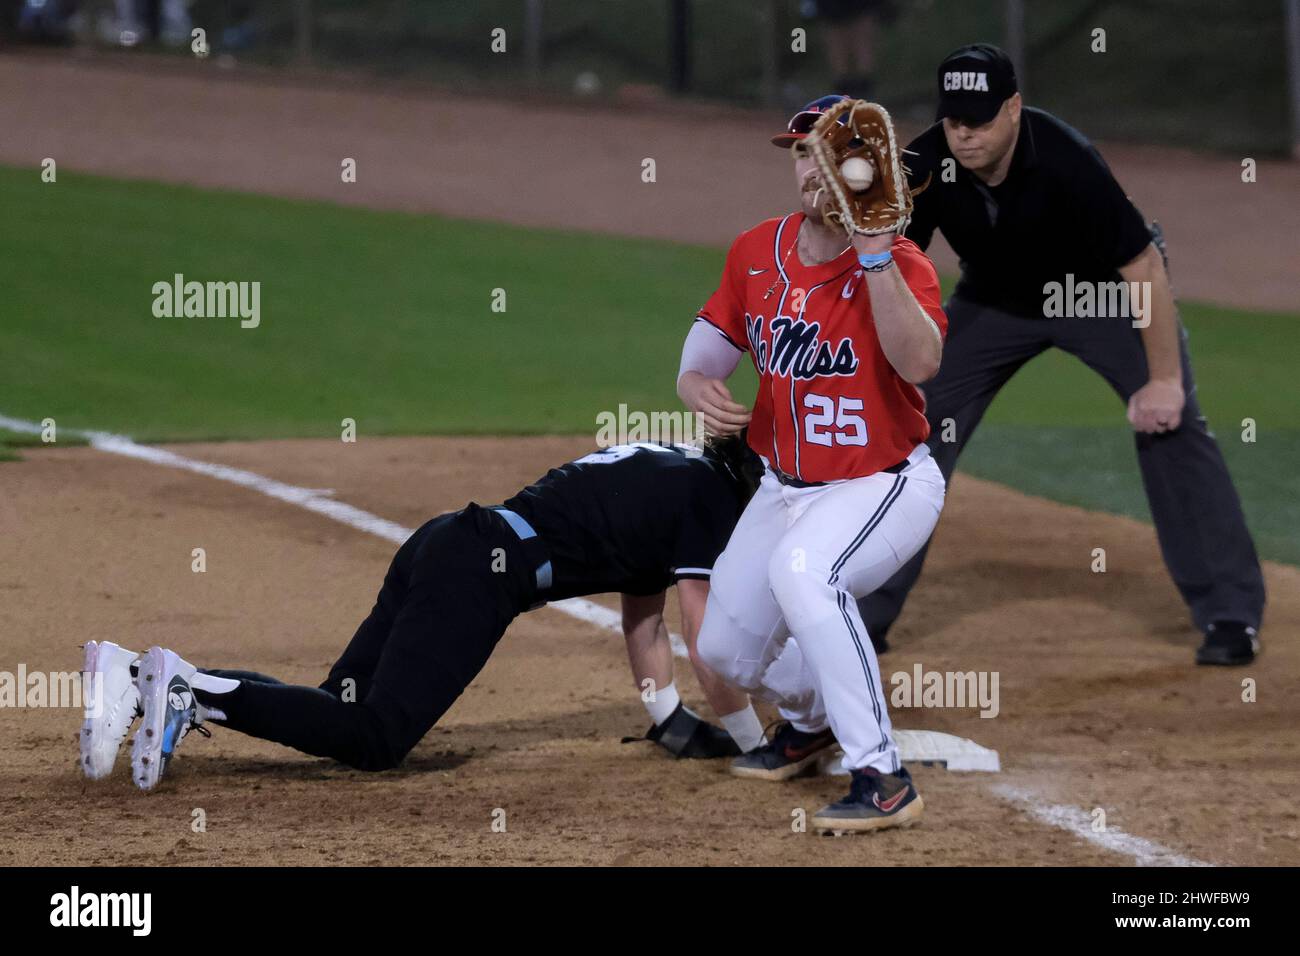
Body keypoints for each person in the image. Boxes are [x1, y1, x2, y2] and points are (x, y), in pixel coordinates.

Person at [856, 43, 1265, 665]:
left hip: (1097, 297)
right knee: (913, 427)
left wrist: (1162, 381)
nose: (964, 136)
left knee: (1172, 424)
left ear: (1014, 108)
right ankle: (865, 609)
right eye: (954, 121)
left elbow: (1143, 267)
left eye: (981, 119)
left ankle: (1230, 613)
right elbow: (897, 275)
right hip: (992, 302)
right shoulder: (921, 163)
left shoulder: (1066, 159)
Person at [79, 440, 768, 790]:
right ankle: (188, 691)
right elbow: (705, 640)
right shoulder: (712, 499)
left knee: (334, 704)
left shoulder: (679, 477)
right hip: (477, 575)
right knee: (376, 739)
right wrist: (751, 741)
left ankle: (137, 669)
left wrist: (669, 721)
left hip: (449, 543)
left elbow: (642, 621)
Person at [677, 94, 947, 833]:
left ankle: (883, 776)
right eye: (799, 151)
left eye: (823, 150)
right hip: (783, 486)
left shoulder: (900, 263)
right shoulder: (755, 251)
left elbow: (921, 364)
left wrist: (876, 251)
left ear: (863, 169)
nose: (809, 165)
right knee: (725, 650)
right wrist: (700, 387)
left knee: (806, 573)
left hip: (882, 485)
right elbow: (699, 363)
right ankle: (815, 717)